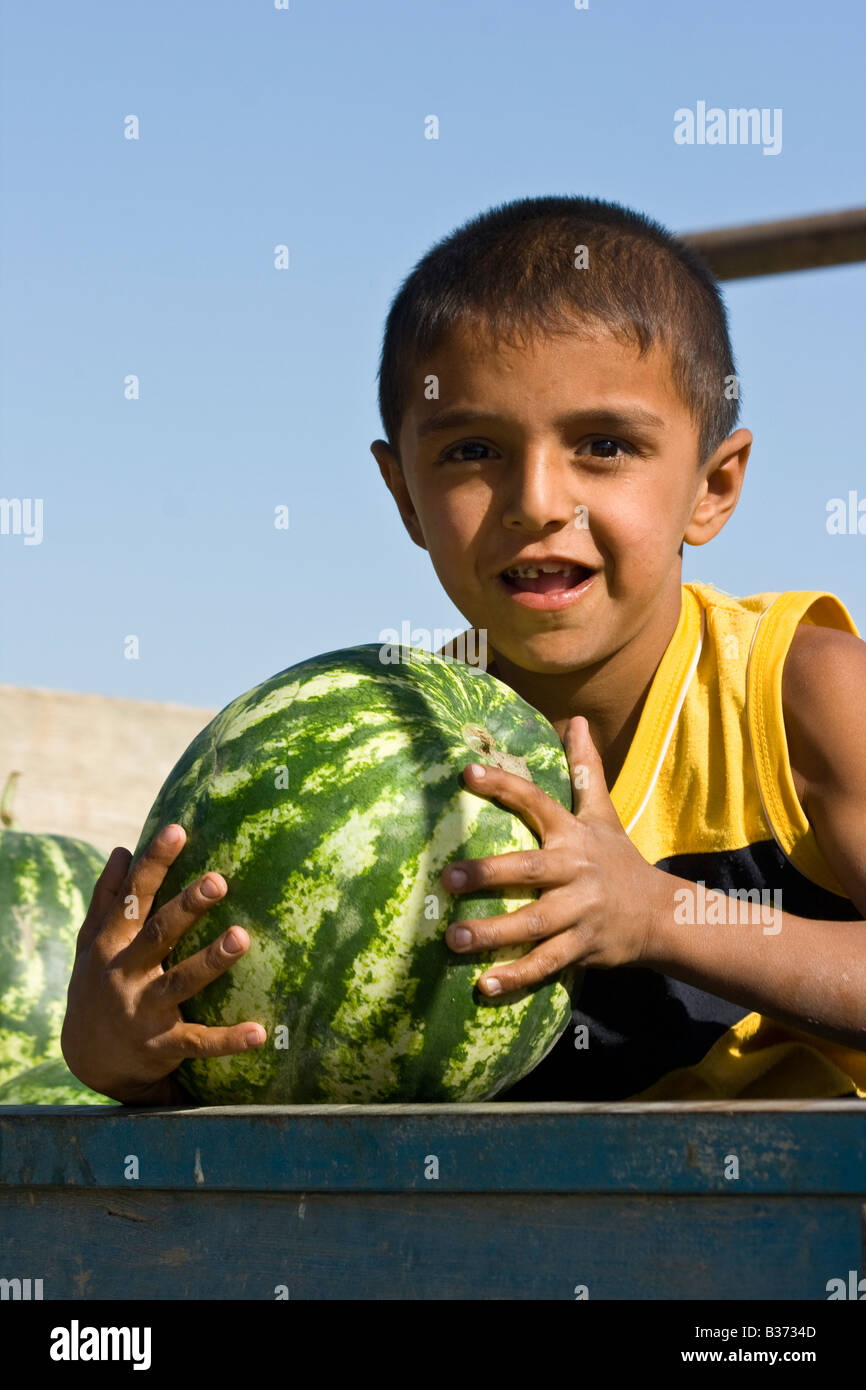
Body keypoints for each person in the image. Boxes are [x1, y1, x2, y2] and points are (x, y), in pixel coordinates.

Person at [62, 195, 866, 1104]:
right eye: (473, 448)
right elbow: (305, 1082)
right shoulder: (387, 745)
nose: (535, 499)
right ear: (403, 494)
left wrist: (660, 915)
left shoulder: (807, 694)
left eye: (604, 445)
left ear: (713, 487)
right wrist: (124, 1053)